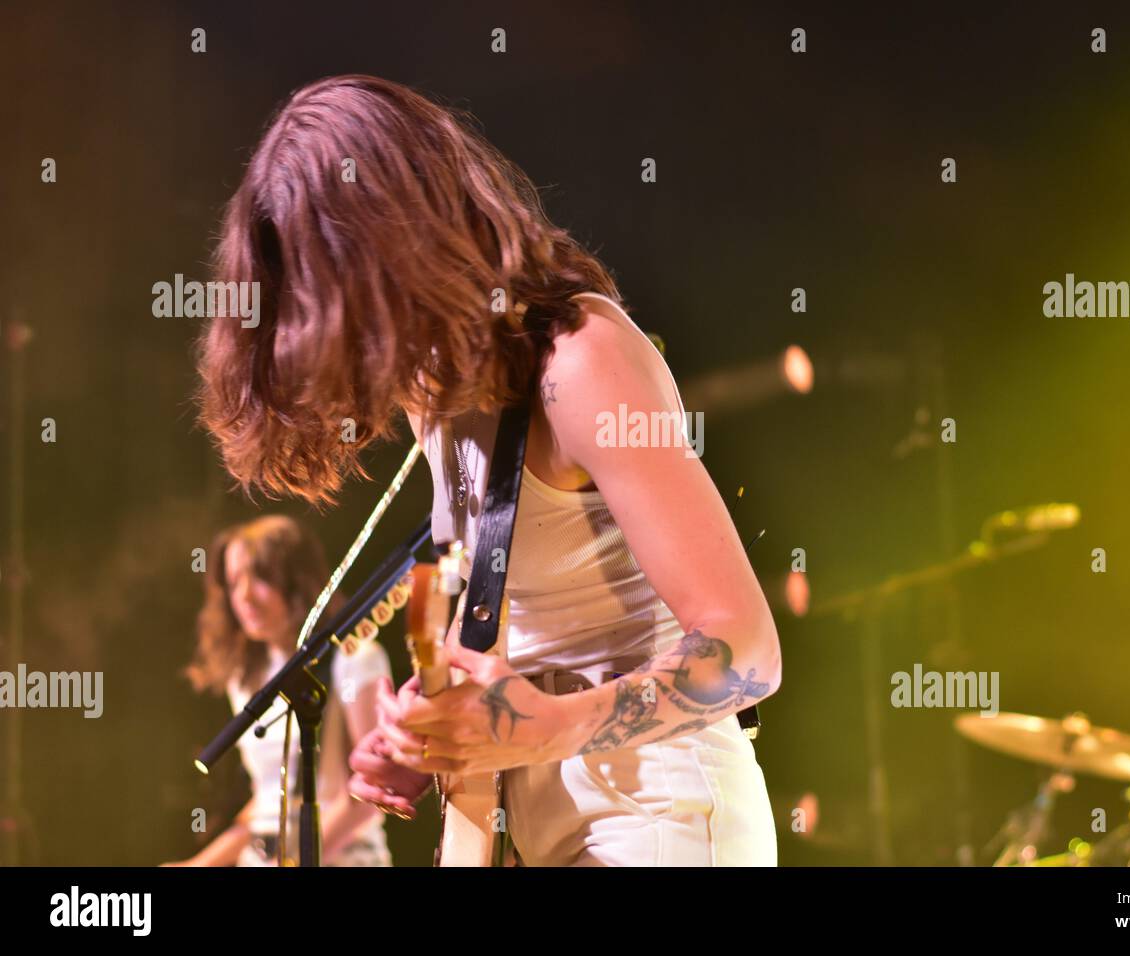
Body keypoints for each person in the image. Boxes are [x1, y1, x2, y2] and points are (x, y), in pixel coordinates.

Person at [195, 74, 781, 865]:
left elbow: (747, 651)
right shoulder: (439, 391)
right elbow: (518, 644)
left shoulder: (582, 362)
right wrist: (428, 731)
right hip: (529, 825)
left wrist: (549, 725)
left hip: (656, 815)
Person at [169, 515, 392, 866]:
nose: (243, 596)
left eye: (259, 577)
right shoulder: (244, 678)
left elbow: (371, 791)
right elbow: (267, 799)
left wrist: (292, 861)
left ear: (297, 580)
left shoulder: (354, 659)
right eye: (233, 581)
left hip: (341, 857)